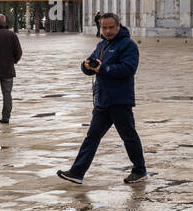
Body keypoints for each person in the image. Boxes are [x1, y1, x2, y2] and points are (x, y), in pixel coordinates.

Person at [57, 12, 146, 184]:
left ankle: (140, 170)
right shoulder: (102, 45)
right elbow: (91, 64)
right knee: (92, 137)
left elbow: (128, 69)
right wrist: (86, 66)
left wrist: (104, 68)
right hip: (102, 100)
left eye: (111, 27)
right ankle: (77, 172)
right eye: (104, 28)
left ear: (118, 26)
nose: (107, 31)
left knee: (128, 136)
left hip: (119, 100)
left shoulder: (128, 45)